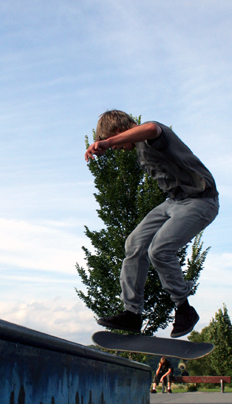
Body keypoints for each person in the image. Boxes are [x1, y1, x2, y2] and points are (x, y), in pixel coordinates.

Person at [85, 110, 219, 337]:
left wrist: (106, 142)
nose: (115, 149)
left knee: (159, 250)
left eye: (114, 142)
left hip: (201, 201)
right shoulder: (139, 150)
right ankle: (132, 314)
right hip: (174, 202)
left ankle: (184, 309)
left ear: (119, 132)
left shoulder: (149, 135)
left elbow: (151, 129)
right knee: (134, 244)